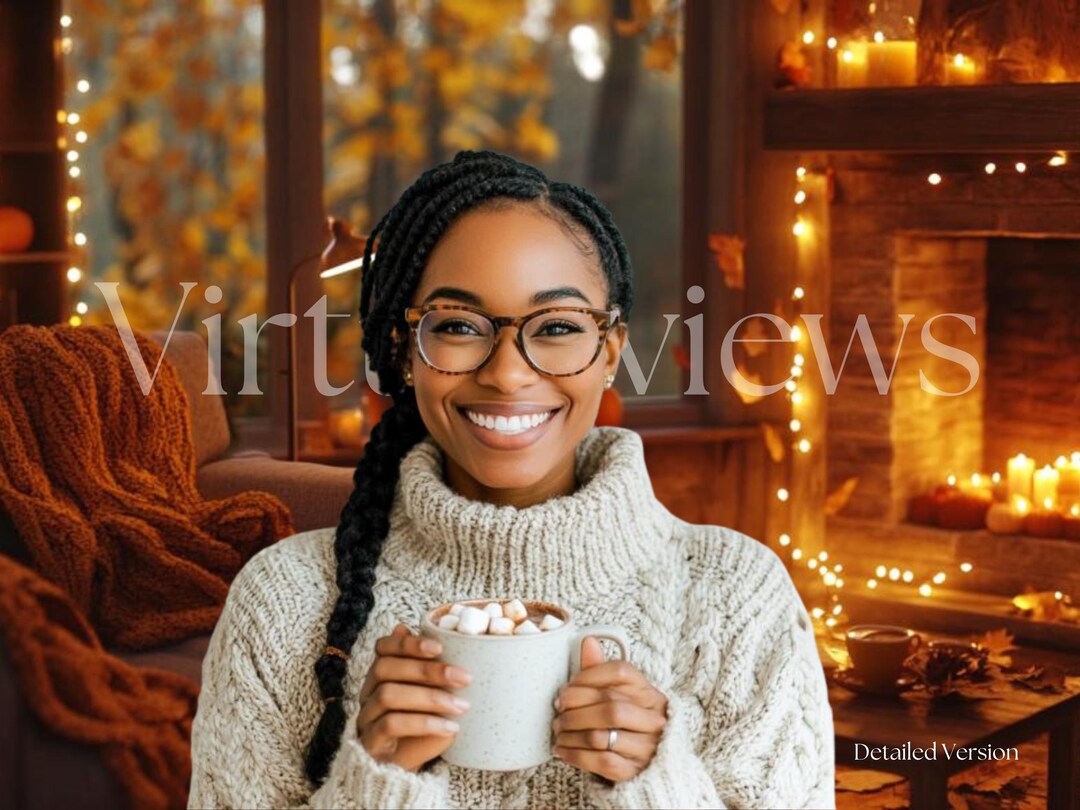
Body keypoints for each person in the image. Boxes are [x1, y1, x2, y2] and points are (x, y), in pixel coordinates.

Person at [187, 150, 835, 809]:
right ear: (405, 353)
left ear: (609, 354)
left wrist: (655, 786)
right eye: (458, 326)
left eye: (556, 327)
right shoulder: (283, 604)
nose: (507, 372)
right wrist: (374, 789)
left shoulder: (739, 598)